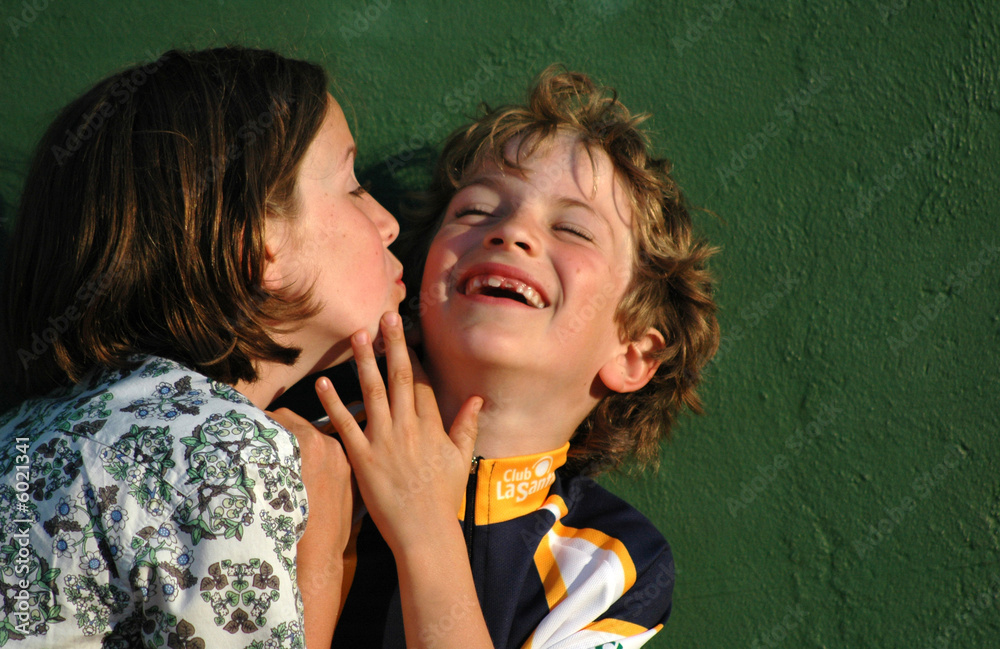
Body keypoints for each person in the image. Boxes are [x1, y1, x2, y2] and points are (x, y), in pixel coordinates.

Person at [277, 66, 720, 648]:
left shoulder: (613, 570)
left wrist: (425, 526)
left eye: (573, 229)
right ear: (413, 286)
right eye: (476, 211)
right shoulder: (292, 439)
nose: (511, 232)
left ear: (634, 354)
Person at [0, 46, 406, 648]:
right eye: (352, 187)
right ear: (258, 245)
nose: (388, 222)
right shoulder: (225, 450)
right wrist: (324, 559)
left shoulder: (20, 430)